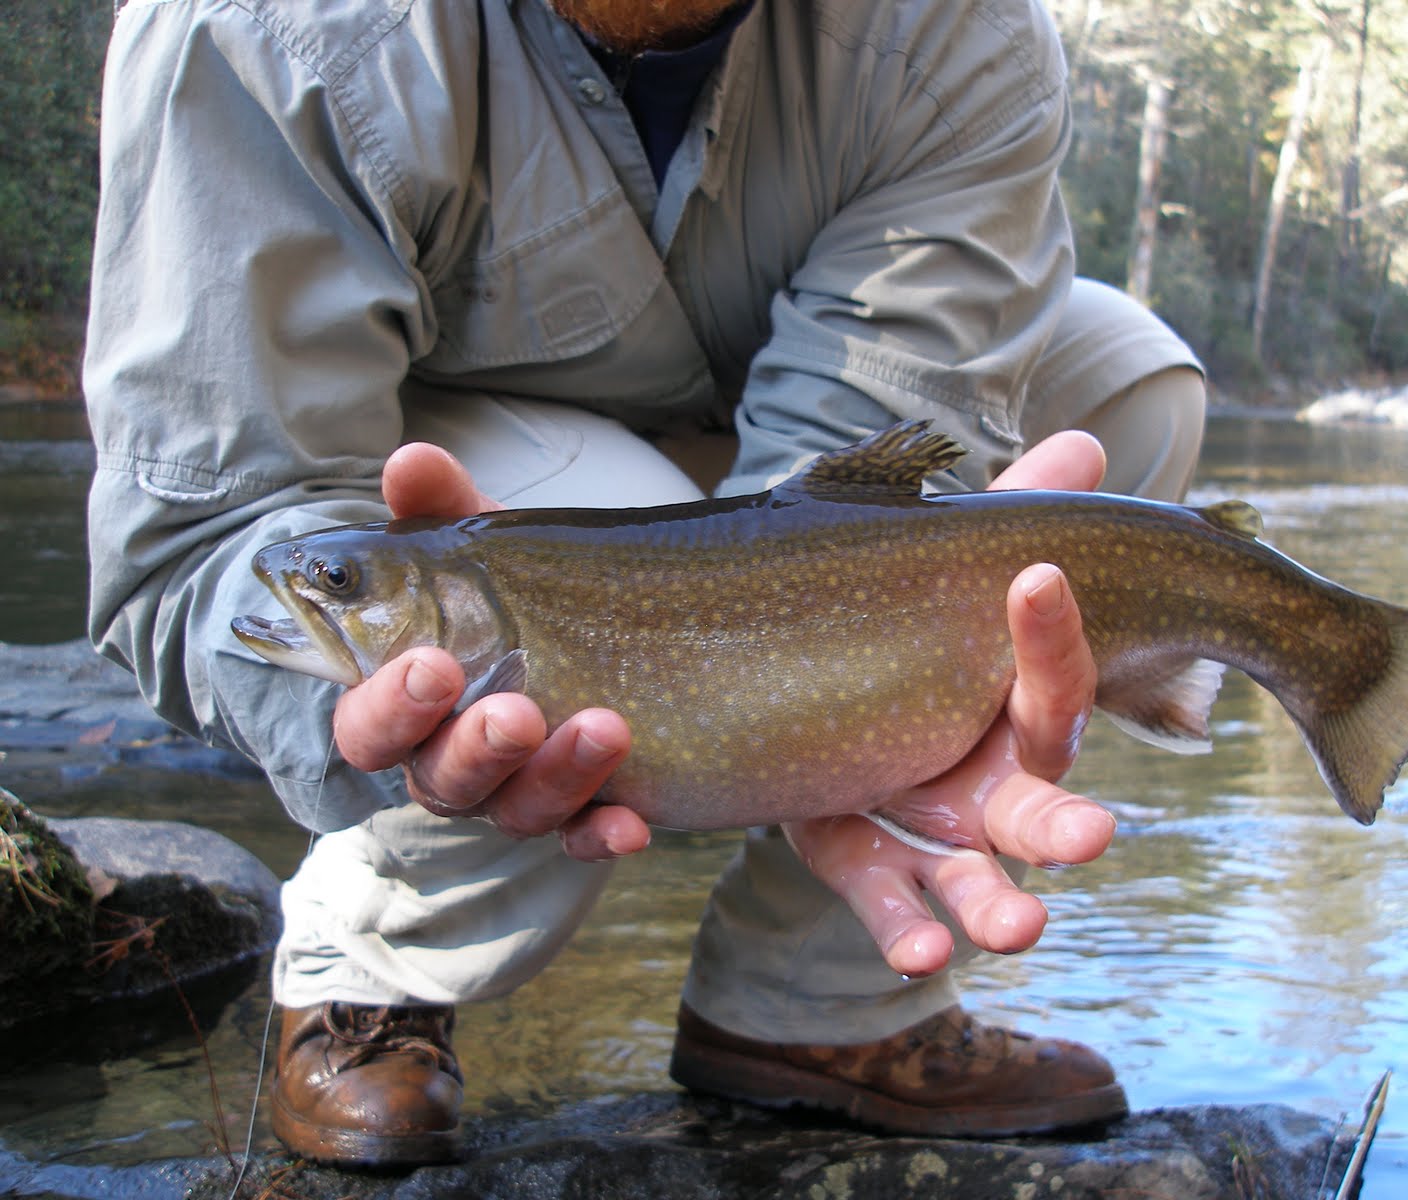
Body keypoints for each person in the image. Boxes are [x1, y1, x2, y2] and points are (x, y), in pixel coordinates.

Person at [84, 0, 1206, 1169]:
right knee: (501, 613)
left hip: (740, 491)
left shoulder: (956, 27)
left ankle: (815, 1000)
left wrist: (824, 702)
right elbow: (206, 526)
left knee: (1123, 378)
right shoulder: (260, 28)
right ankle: (373, 963)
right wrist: (366, 720)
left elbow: (860, 454)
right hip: (447, 492)